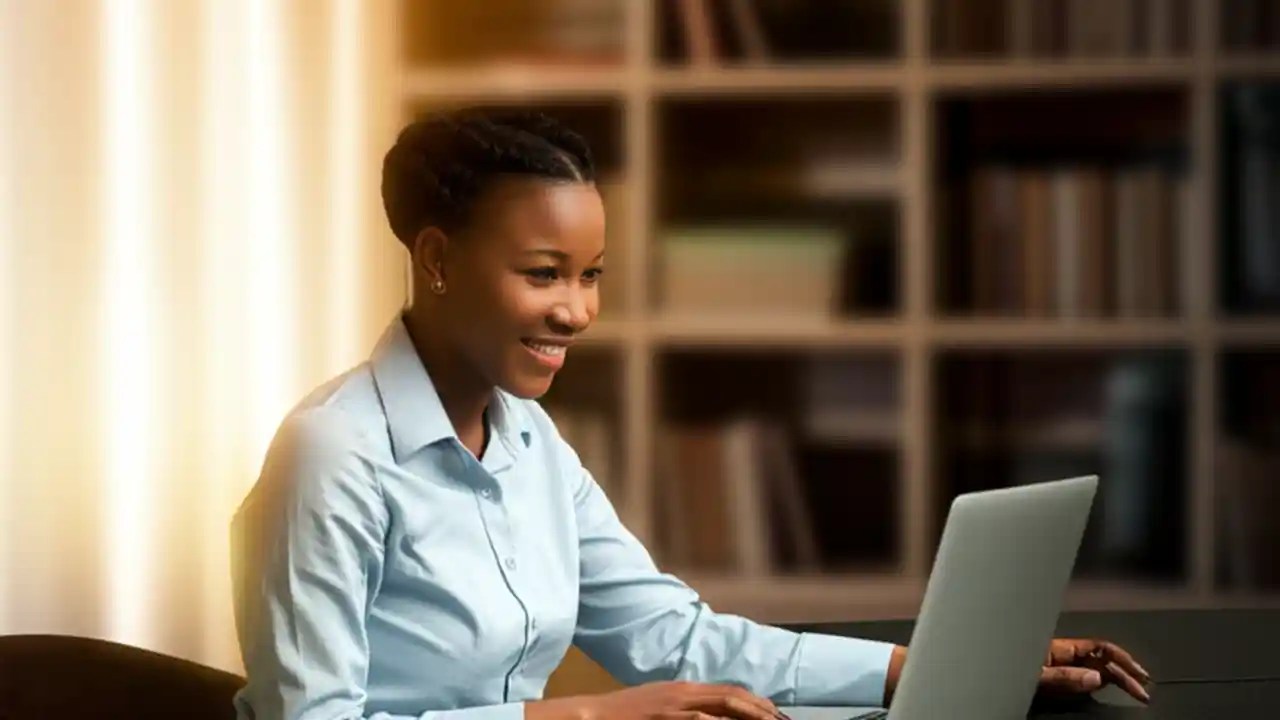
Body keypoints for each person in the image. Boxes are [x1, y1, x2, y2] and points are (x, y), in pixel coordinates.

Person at [229, 108, 1151, 720]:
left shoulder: (529, 444)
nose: (578, 311)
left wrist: (922, 667)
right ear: (435, 260)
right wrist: (588, 716)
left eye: (591, 277)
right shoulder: (333, 454)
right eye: (542, 274)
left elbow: (677, 637)